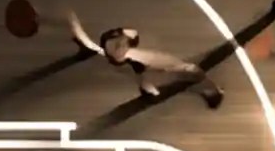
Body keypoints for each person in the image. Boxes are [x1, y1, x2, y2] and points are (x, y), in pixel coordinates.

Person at [68, 11, 224, 108]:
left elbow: (135, 62)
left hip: (133, 64)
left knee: (150, 77)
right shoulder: (129, 55)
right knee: (188, 70)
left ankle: (149, 90)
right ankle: (212, 93)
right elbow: (134, 40)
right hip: (139, 64)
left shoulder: (113, 46)